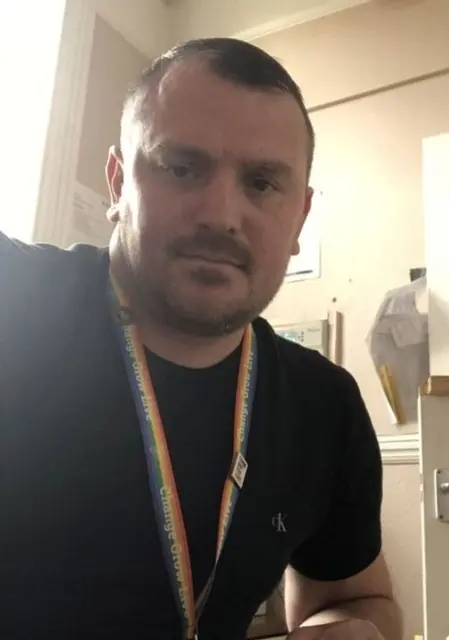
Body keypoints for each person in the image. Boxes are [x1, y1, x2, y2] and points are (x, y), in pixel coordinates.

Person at [0, 38, 402, 640]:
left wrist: (347, 628)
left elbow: (357, 597)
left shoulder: (324, 405)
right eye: (182, 167)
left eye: (262, 182)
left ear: (299, 218)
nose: (220, 214)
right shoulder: (13, 300)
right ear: (117, 182)